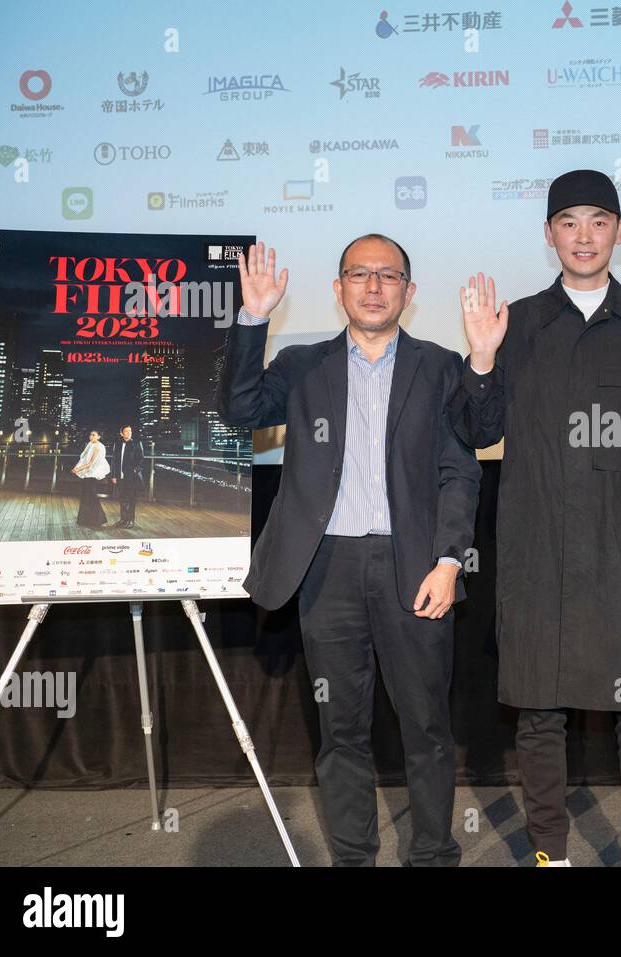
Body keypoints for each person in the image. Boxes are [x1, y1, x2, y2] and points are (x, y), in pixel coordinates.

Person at [448, 170, 621, 867]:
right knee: (539, 709)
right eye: (568, 222)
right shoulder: (516, 323)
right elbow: (479, 429)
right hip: (539, 548)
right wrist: (483, 357)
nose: (583, 236)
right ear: (549, 233)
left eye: (598, 221)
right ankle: (548, 849)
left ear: (620, 231)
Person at [218, 236, 481, 867]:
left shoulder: (442, 367)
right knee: (341, 732)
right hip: (326, 572)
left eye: (387, 276)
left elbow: (459, 472)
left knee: (426, 728)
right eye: (358, 274)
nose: (372, 286)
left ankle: (432, 855)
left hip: (415, 569)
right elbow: (238, 409)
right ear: (337, 289)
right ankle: (353, 858)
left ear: (409, 293)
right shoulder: (301, 365)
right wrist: (252, 319)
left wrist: (449, 560)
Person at [71, 429, 110, 528]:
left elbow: (90, 463)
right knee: (86, 496)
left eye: (93, 435)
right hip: (87, 474)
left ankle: (98, 520)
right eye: (90, 434)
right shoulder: (91, 444)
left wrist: (77, 469)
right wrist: (78, 468)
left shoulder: (98, 447)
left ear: (99, 437)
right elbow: (84, 459)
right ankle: (85, 520)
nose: (91, 436)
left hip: (91, 475)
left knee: (92, 497)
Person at [109, 425, 144, 528]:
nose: (129, 433)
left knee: (131, 498)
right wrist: (114, 475)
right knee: (122, 498)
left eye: (130, 431)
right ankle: (123, 520)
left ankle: (130, 521)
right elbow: (114, 460)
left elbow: (141, 460)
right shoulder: (118, 444)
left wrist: (135, 471)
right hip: (120, 476)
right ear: (121, 433)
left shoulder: (137, 443)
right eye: (126, 431)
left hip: (131, 476)